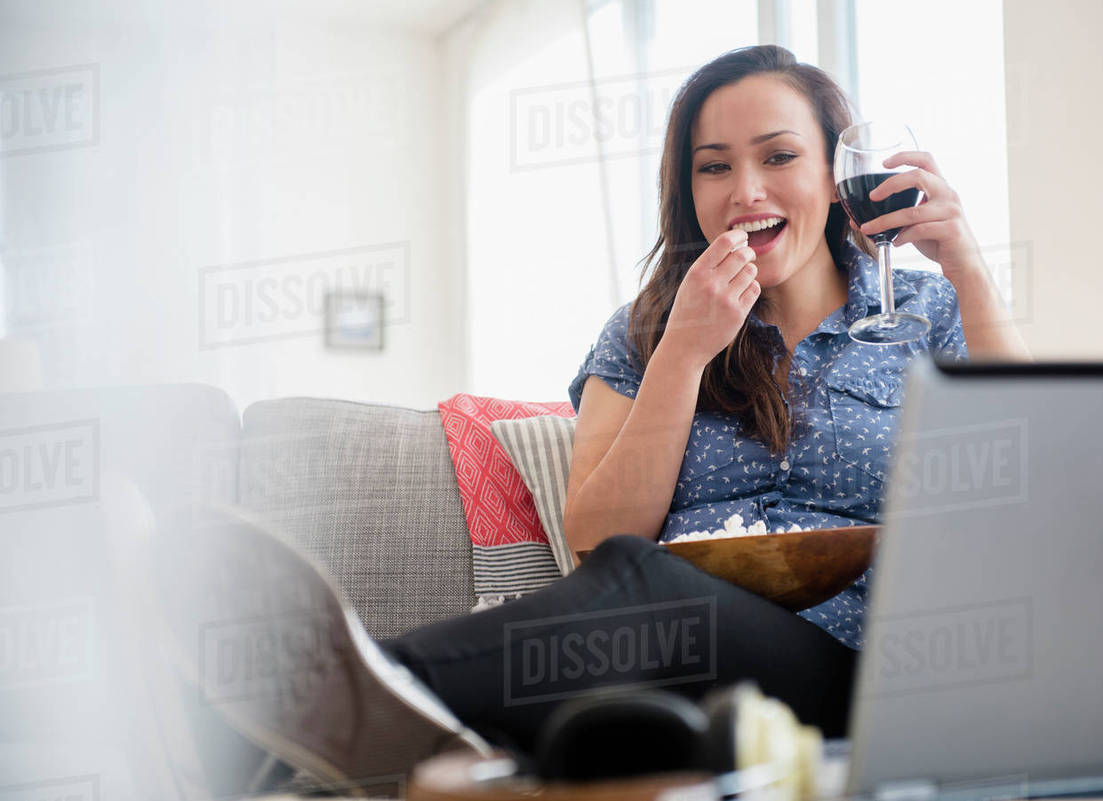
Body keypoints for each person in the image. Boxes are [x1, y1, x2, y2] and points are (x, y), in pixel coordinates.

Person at [160, 45, 1029, 796]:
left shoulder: (925, 311)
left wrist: (969, 267)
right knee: (610, 665)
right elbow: (601, 529)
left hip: (857, 660)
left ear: (835, 176)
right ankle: (363, 733)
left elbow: (1023, 477)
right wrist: (684, 354)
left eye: (778, 157)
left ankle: (346, 686)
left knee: (642, 587)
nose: (744, 190)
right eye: (714, 165)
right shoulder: (648, 327)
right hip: (682, 664)